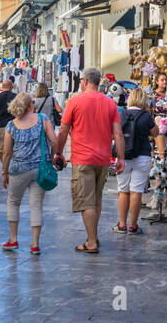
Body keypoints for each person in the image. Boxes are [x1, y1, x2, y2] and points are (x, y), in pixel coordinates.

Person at [51, 67, 125, 254]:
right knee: (96, 199)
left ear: (84, 81)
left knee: (86, 202)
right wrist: (121, 158)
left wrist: (58, 153)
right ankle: (93, 235)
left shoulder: (75, 101)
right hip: (102, 158)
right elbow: (118, 134)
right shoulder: (109, 103)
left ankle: (91, 241)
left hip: (82, 159)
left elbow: (63, 130)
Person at [0, 91, 59, 254]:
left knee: (13, 202)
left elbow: (6, 152)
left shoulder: (11, 125)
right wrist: (52, 157)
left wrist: (4, 172)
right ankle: (34, 244)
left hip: (18, 169)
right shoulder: (42, 119)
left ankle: (13, 239)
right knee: (36, 205)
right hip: (39, 168)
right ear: (30, 105)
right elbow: (54, 141)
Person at [113, 87, 159, 235]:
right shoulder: (146, 116)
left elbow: (115, 133)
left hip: (123, 156)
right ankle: (133, 226)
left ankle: (121, 225)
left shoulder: (121, 114)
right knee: (136, 192)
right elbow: (156, 132)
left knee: (123, 191)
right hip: (142, 156)